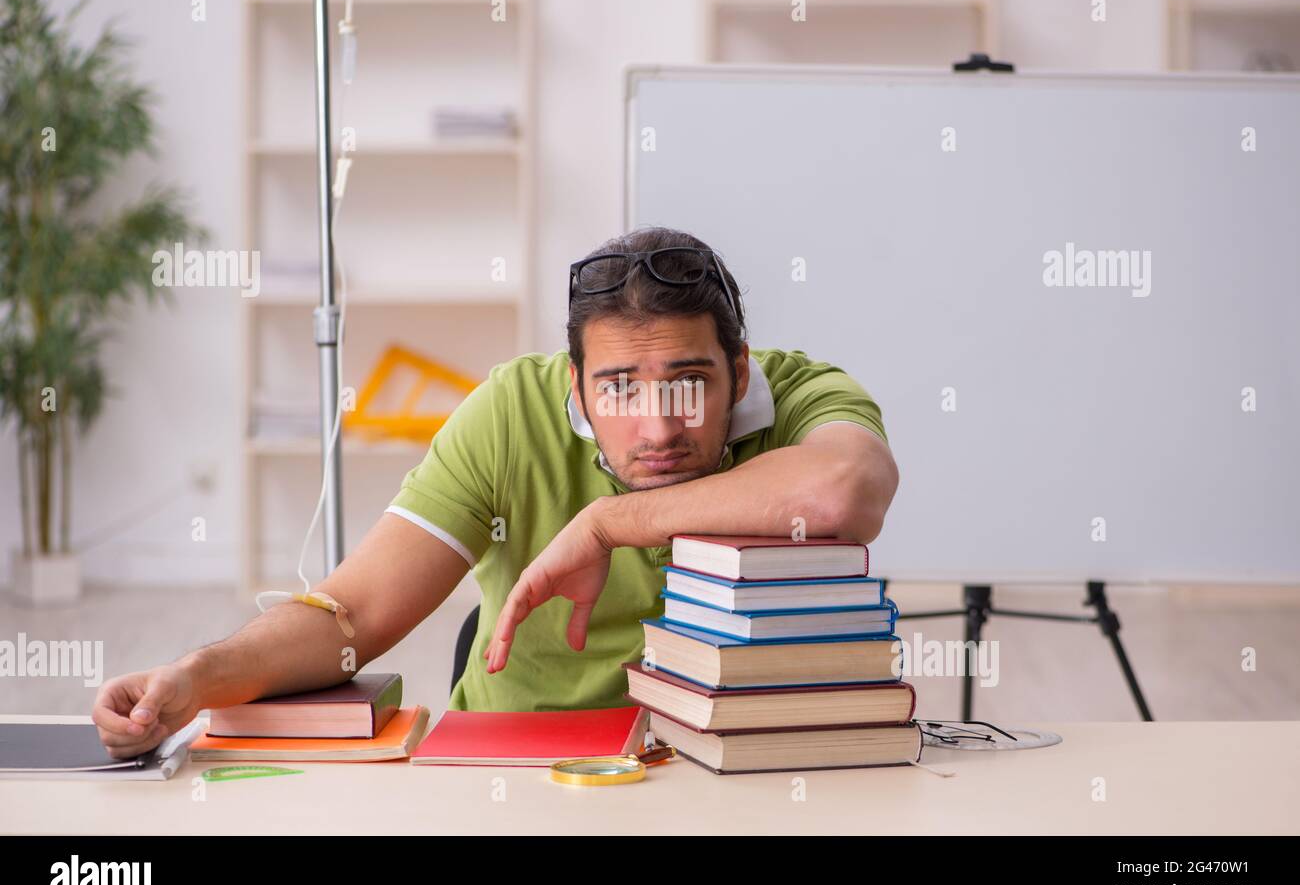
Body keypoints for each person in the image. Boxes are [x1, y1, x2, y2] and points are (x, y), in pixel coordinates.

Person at [92, 226, 899, 758]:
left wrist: (607, 522)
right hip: (526, 764)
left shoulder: (798, 393)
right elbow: (357, 613)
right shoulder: (510, 411)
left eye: (690, 381)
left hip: (737, 762)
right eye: (619, 388)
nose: (658, 427)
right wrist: (195, 676)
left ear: (742, 370)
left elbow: (842, 491)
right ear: (576, 389)